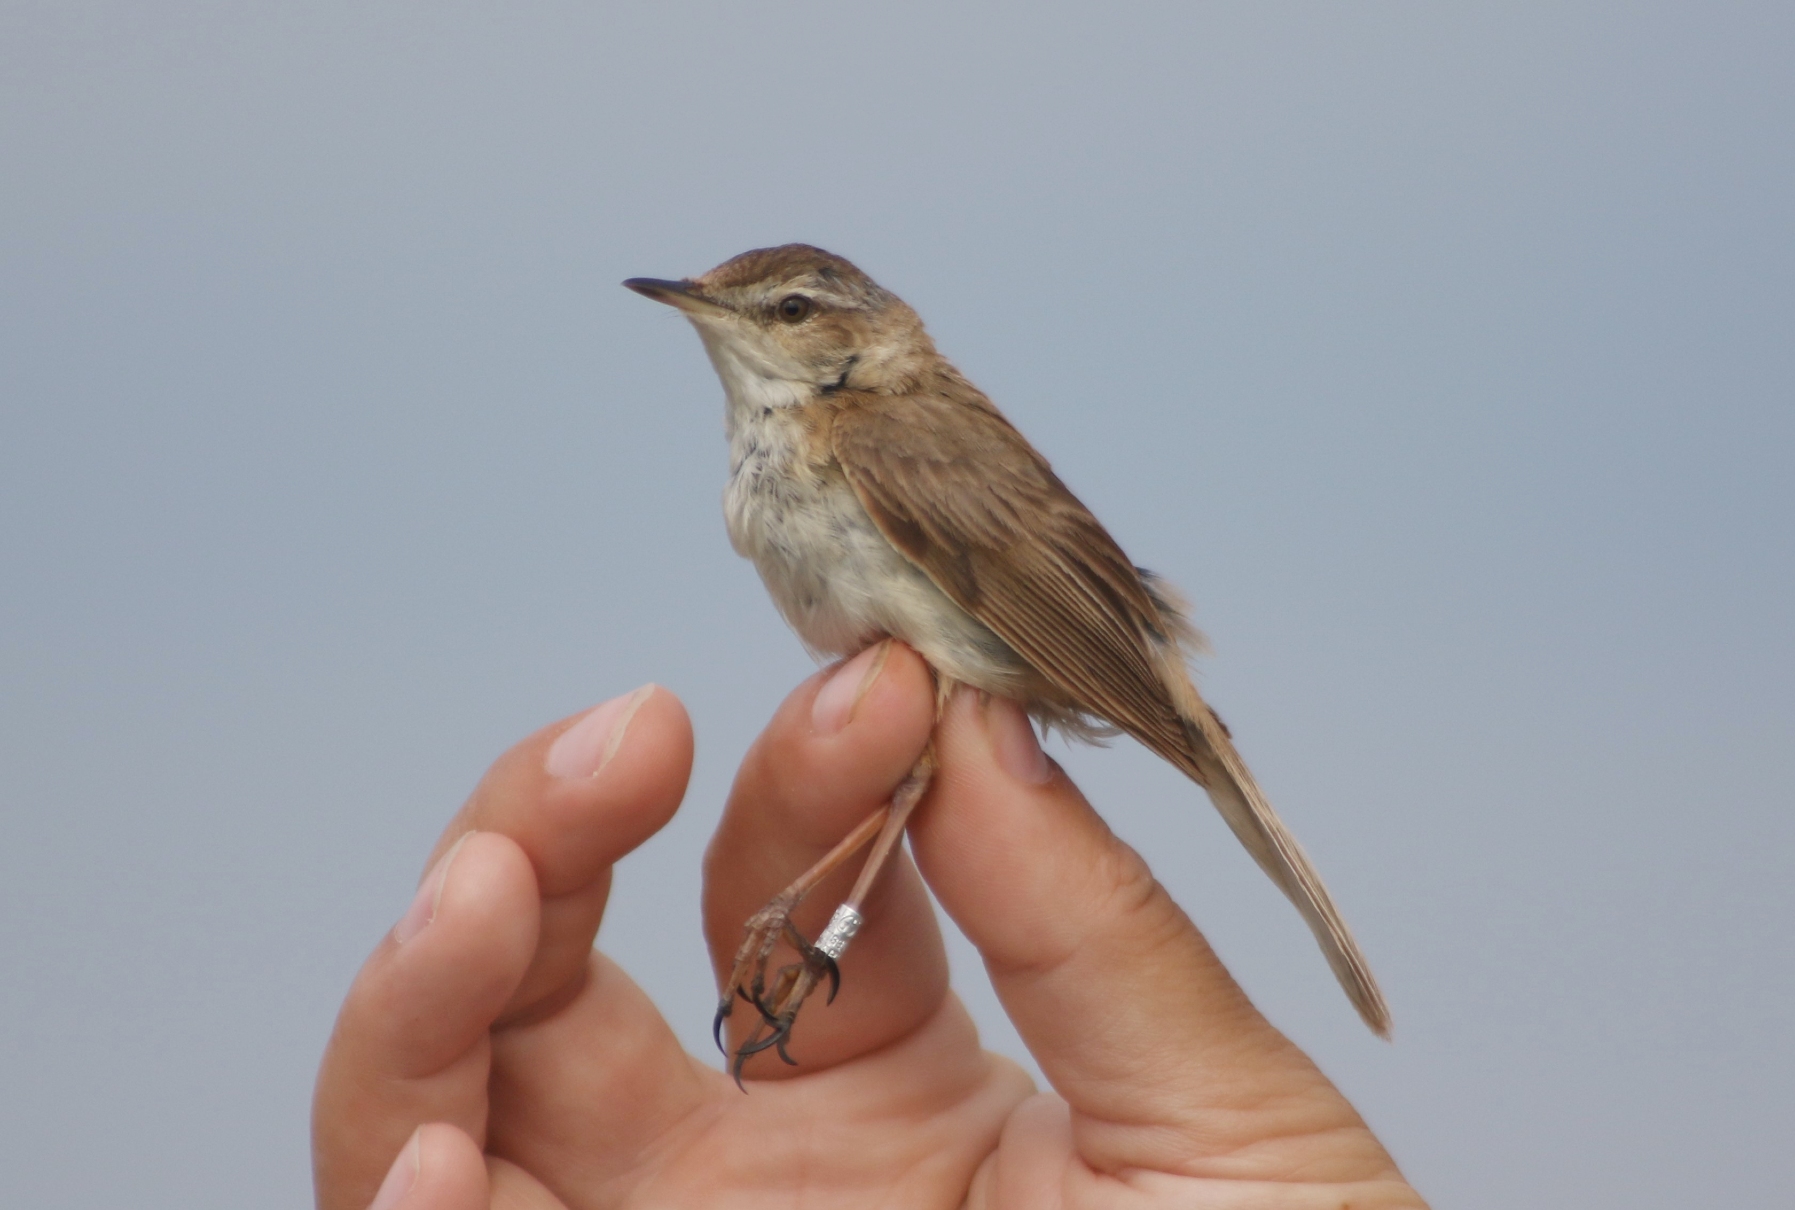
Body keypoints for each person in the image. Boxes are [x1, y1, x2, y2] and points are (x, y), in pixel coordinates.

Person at [313, 642, 1428, 1209]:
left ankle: (821, 945)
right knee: (893, 767)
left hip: (1019, 631)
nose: (748, 328)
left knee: (906, 761)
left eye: (788, 311)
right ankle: (820, 943)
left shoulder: (870, 426)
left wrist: (1146, 700)